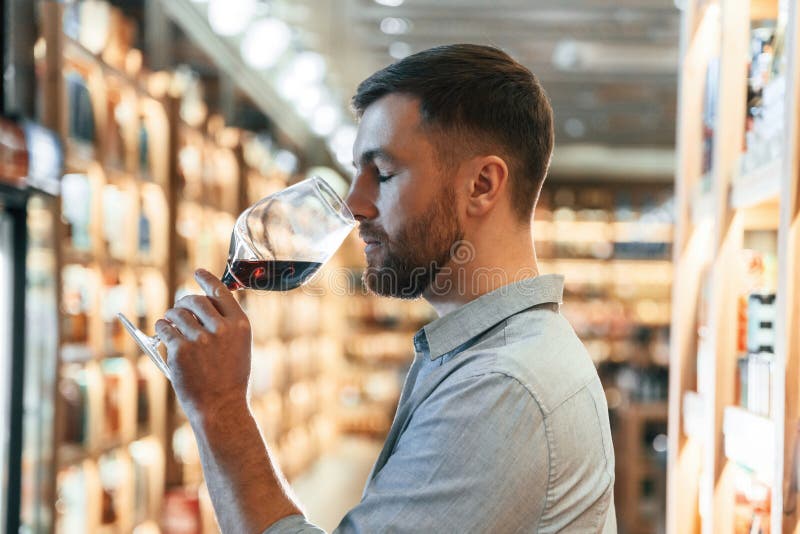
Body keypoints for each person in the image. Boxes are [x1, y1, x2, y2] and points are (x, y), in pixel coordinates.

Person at [157, 44, 617, 533]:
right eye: (359, 172)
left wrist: (221, 408)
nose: (355, 204)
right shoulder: (501, 355)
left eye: (385, 173)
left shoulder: (504, 387)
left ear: (482, 184)